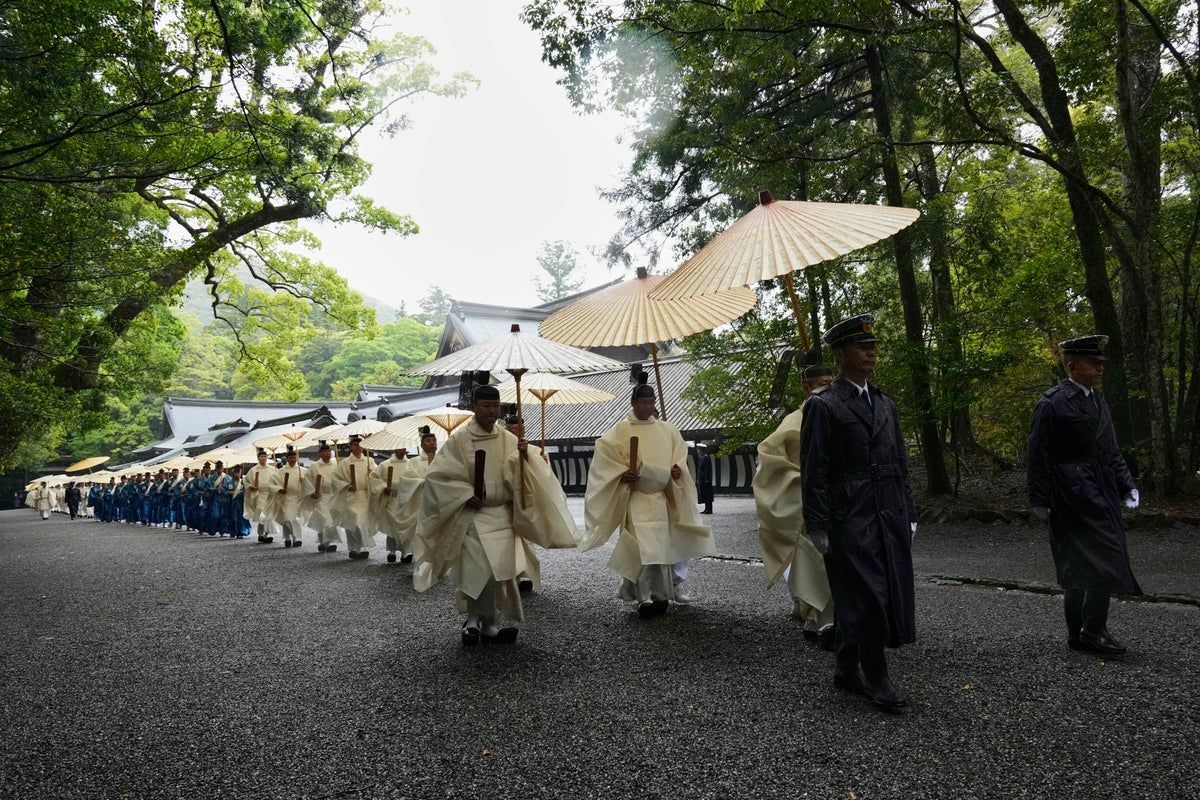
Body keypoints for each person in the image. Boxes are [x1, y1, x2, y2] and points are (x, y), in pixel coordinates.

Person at [800, 314, 917, 711]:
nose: (871, 353)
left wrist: (909, 509)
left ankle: (846, 667)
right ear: (839, 354)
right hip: (848, 512)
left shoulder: (885, 403)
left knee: (879, 589)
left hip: (886, 509)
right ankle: (878, 675)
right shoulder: (823, 405)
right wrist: (817, 522)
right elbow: (814, 467)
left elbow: (899, 460)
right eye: (861, 347)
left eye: (872, 347)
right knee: (868, 594)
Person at [414, 383, 577, 645]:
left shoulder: (510, 439)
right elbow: (438, 476)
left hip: (501, 514)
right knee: (478, 567)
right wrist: (466, 494)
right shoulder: (460, 440)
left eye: (495, 406)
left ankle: (490, 622)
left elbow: (525, 476)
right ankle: (474, 619)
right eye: (486, 406)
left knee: (501, 570)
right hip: (474, 514)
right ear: (474, 407)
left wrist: (527, 456)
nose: (491, 411)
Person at [1027, 335, 1141, 656]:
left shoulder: (1099, 403)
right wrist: (1040, 499)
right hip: (1070, 497)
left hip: (1101, 492)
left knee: (1104, 558)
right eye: (1093, 363)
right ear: (1073, 366)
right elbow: (1038, 453)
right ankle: (1081, 633)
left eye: (1102, 363)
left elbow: (1112, 451)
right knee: (1076, 566)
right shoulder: (1052, 403)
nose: (1100, 368)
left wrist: (1127, 485)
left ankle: (1091, 630)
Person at [580, 372, 715, 618]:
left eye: (651, 402)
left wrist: (677, 469)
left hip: (661, 497)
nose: (648, 407)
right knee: (642, 548)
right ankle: (643, 596)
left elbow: (679, 455)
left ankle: (661, 593)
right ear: (633, 403)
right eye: (643, 402)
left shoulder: (668, 430)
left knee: (661, 549)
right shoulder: (621, 430)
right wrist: (622, 474)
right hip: (637, 497)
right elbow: (605, 459)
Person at [754, 363, 837, 649]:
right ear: (806, 387)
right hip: (806, 500)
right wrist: (799, 476)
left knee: (836, 560)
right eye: (821, 383)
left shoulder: (838, 413)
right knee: (815, 559)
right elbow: (769, 457)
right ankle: (822, 619)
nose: (828, 387)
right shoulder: (793, 421)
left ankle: (817, 617)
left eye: (831, 382)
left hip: (838, 499)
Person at [391, 426, 439, 564]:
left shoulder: (442, 459)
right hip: (419, 501)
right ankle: (417, 555)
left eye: (434, 440)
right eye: (428, 440)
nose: (432, 443)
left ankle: (433, 557)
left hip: (438, 501)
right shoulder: (414, 462)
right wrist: (422, 482)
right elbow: (407, 479)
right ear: (422, 444)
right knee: (418, 529)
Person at [332, 435, 375, 560]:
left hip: (364, 495)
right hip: (350, 495)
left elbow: (376, 477)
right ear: (350, 447)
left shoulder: (369, 461)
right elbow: (335, 479)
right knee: (353, 521)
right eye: (354, 444)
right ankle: (353, 547)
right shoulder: (345, 462)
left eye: (359, 444)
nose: (357, 447)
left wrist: (370, 475)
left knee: (362, 521)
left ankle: (362, 546)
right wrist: (346, 485)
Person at [370, 445, 412, 563]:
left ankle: (405, 552)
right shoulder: (384, 464)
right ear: (395, 449)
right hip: (391, 499)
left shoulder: (410, 464)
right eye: (400, 448)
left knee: (405, 525)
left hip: (406, 499)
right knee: (392, 523)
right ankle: (392, 551)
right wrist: (383, 487)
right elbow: (374, 478)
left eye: (404, 448)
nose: (402, 451)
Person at [303, 440, 342, 553]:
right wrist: (312, 493)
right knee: (324, 519)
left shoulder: (336, 464)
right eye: (324, 452)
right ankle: (325, 542)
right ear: (320, 453)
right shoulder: (314, 467)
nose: (327, 453)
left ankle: (325, 542)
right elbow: (307, 481)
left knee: (332, 520)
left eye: (329, 451)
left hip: (333, 496)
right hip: (321, 496)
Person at [268, 446, 305, 547]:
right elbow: (272, 483)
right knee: (287, 518)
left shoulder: (302, 470)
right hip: (286, 498)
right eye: (290, 458)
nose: (292, 459)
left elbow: (310, 483)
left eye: (294, 457)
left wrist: (304, 481)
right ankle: (291, 537)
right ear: (287, 459)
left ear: (297, 458)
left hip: (297, 498)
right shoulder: (281, 471)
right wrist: (279, 489)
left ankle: (293, 538)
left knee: (294, 519)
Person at [243, 449, 277, 541]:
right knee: (260, 512)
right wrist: (251, 486)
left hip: (269, 495)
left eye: (265, 456)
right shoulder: (253, 470)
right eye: (261, 456)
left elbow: (278, 480)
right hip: (259, 495)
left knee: (268, 515)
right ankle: (261, 533)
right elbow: (246, 481)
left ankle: (265, 534)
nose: (263, 458)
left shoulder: (272, 469)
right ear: (258, 458)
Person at [695, 444, 714, 514]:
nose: (698, 451)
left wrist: (706, 479)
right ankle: (706, 508)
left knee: (707, 494)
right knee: (705, 494)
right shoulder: (702, 458)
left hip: (705, 480)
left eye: (699, 449)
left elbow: (706, 470)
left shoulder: (705, 458)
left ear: (702, 450)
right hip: (702, 479)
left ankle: (709, 509)